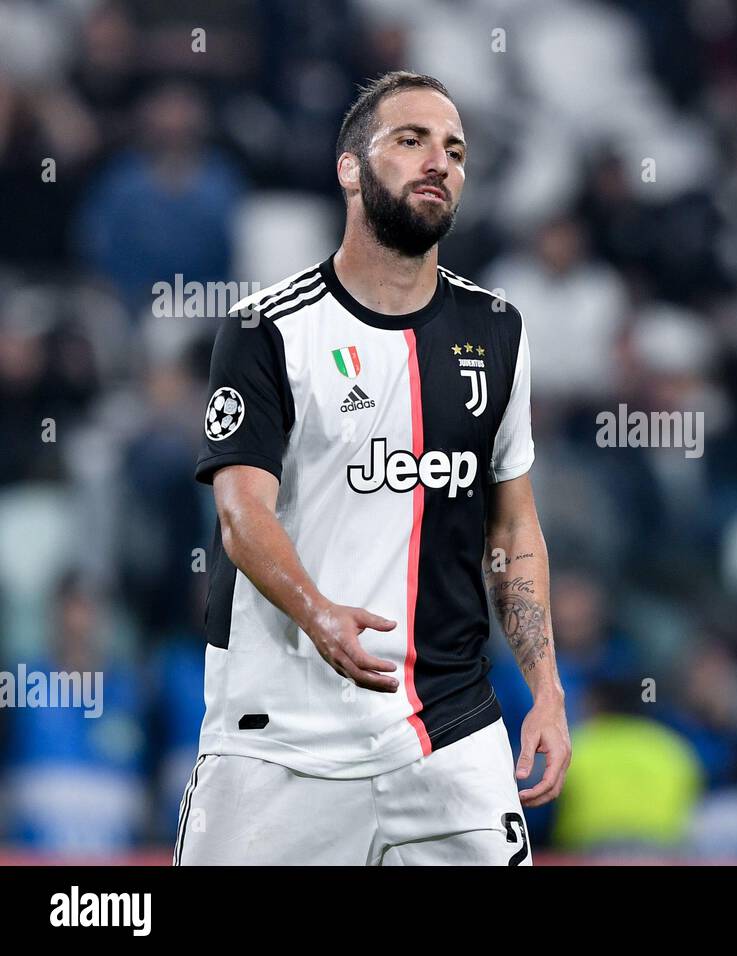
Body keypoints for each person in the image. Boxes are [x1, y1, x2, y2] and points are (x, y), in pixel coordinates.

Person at [175, 71, 570, 865]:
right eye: (411, 140)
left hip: (447, 733)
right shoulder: (266, 330)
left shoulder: (496, 330)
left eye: (455, 150)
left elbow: (513, 521)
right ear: (349, 168)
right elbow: (241, 512)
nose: (440, 162)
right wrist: (320, 612)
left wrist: (547, 687)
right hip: (277, 739)